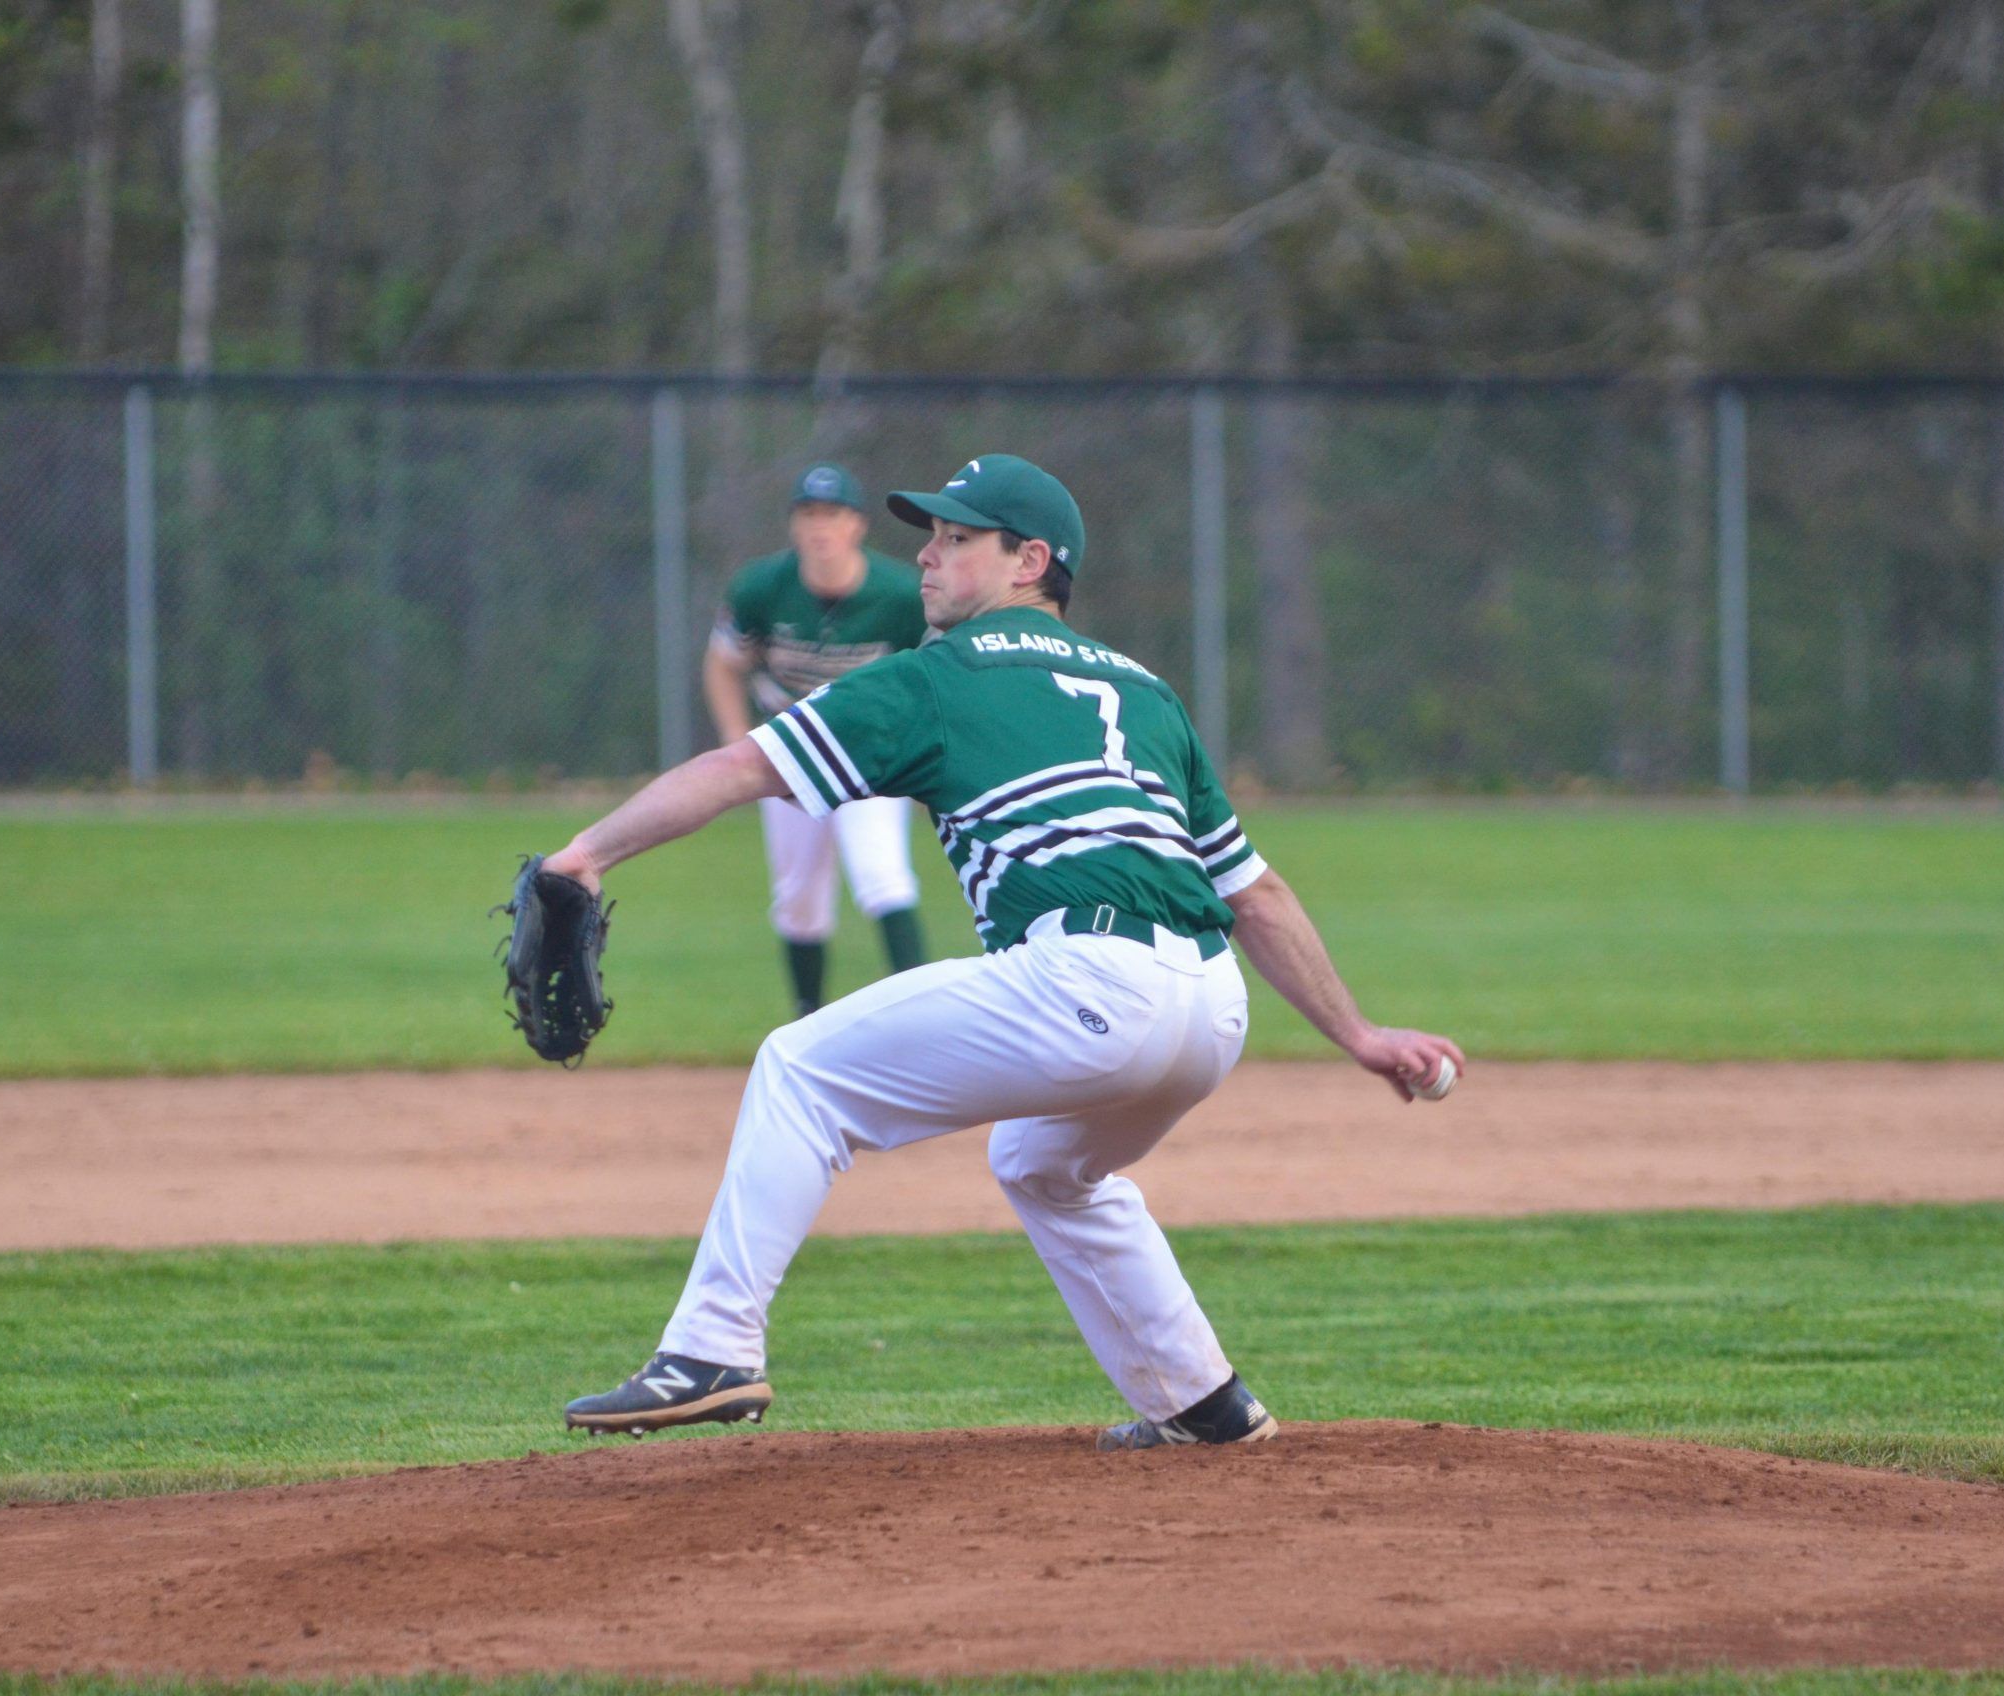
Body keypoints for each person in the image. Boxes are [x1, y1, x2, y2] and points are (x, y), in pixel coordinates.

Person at [550, 454, 1462, 1451]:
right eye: (929, 534)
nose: (926, 554)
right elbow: (1256, 892)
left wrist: (586, 854)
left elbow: (738, 768)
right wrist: (1360, 1035)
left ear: (1030, 560)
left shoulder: (937, 676)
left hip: (1088, 983)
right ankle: (1203, 1402)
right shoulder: (1148, 691)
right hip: (1211, 1008)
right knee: (1045, 1163)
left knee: (797, 1069)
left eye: (955, 537)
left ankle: (712, 1348)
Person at [704, 463, 931, 1017]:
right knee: (799, 898)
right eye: (808, 514)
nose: (819, 527)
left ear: (857, 525)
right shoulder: (762, 587)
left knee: (882, 876)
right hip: (790, 750)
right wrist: (737, 740)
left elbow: (933, 675)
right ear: (793, 526)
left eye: (833, 513)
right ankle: (808, 1017)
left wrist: (921, 751)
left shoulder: (900, 594)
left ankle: (927, 1016)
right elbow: (722, 663)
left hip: (870, 752)